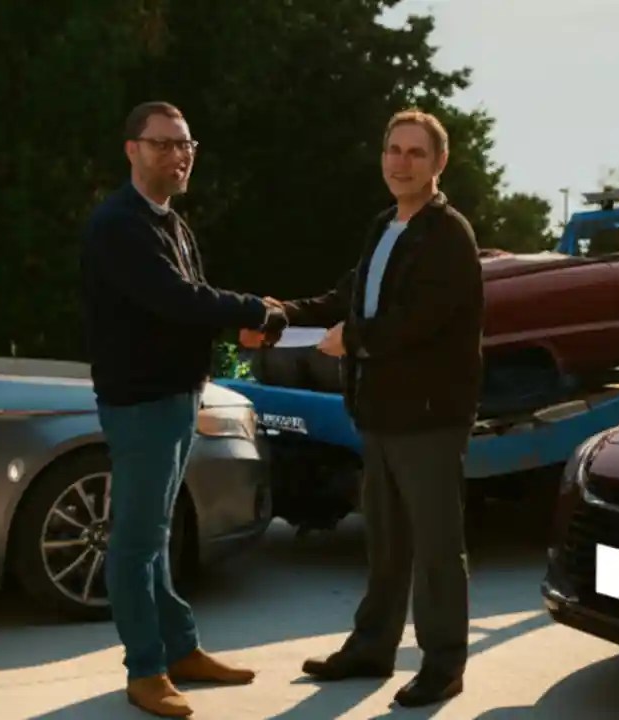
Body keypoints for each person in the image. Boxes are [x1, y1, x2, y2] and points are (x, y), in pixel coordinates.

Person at [80, 101, 287, 718]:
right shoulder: (120, 225)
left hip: (174, 397)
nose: (179, 155)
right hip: (140, 403)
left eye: (186, 144)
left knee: (156, 536)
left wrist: (240, 333)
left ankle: (180, 648)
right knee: (136, 542)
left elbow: (185, 312)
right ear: (132, 150)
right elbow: (175, 298)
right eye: (163, 143)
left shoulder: (171, 222)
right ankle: (144, 670)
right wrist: (253, 309)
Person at [271, 108, 484, 708]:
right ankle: (371, 648)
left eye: (416, 153)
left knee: (437, 547)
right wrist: (282, 312)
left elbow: (418, 321)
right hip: (381, 413)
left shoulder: (448, 235)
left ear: (440, 163)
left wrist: (354, 339)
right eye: (394, 150)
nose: (401, 162)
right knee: (387, 543)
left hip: (430, 415)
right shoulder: (383, 226)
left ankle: (443, 665)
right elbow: (348, 295)